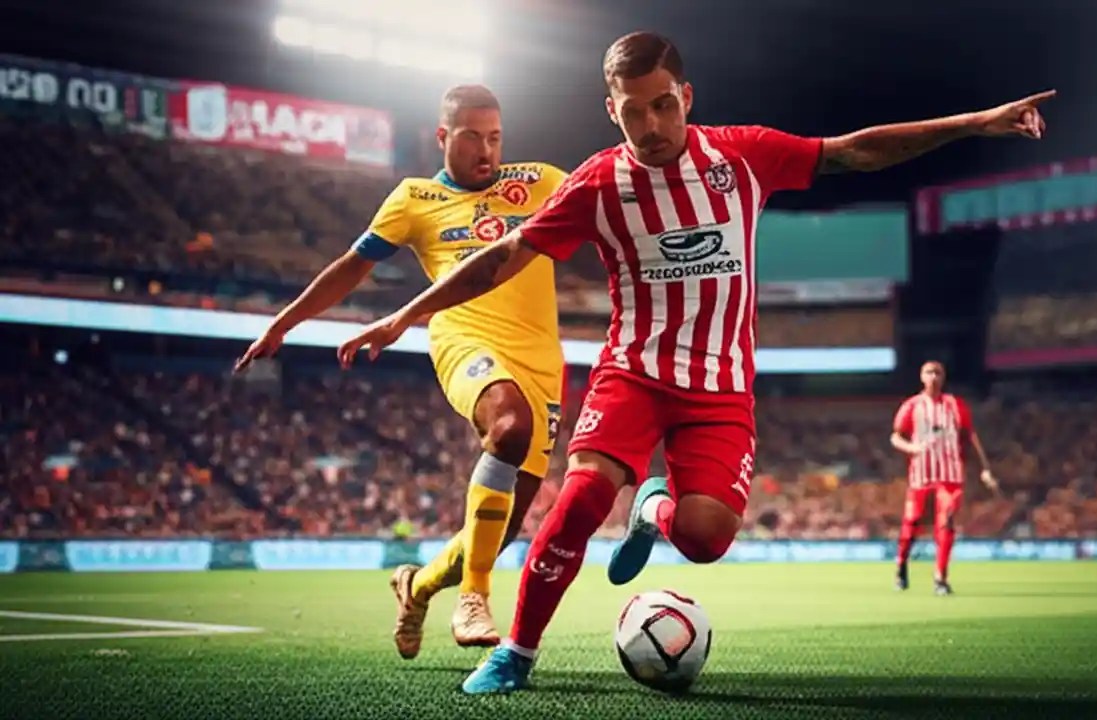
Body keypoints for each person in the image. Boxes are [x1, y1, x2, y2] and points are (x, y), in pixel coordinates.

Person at [337, 31, 1052, 694]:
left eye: (662, 106)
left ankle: (654, 505)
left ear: (686, 98)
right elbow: (502, 257)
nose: (650, 127)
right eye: (631, 113)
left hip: (719, 389)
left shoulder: (743, 154)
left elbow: (855, 150)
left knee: (706, 541)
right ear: (610, 110)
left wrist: (973, 122)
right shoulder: (595, 183)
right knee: (582, 498)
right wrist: (405, 315)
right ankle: (516, 651)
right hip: (634, 373)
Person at [236, 84, 569, 654]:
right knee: (509, 428)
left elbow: (612, 197)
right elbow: (351, 266)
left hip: (543, 358)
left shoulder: (540, 180)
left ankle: (417, 586)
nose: (485, 150)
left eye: (494, 137)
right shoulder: (414, 198)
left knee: (503, 527)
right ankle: (474, 598)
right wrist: (283, 324)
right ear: (443, 137)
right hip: (465, 338)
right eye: (470, 138)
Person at [891, 361, 999, 595]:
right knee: (912, 524)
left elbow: (970, 436)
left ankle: (940, 577)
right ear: (921, 377)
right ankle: (901, 564)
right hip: (921, 476)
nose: (933, 377)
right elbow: (896, 437)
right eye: (929, 372)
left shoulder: (955, 405)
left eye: (938, 372)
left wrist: (985, 468)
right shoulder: (911, 406)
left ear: (944, 377)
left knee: (946, 522)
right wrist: (912, 448)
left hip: (950, 476)